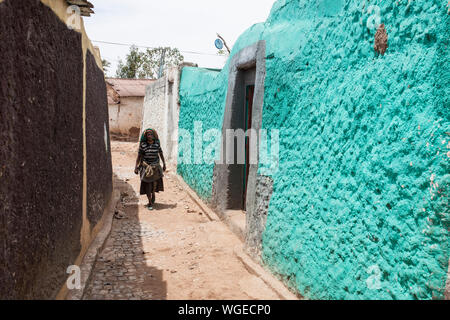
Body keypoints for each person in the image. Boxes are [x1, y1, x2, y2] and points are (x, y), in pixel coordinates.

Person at [134, 129, 166, 210]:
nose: (149, 136)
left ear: (154, 136)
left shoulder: (157, 144)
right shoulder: (143, 145)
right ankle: (150, 202)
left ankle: (153, 193)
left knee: (154, 184)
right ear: (145, 136)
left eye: (151, 134)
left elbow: (161, 153)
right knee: (147, 184)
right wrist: (136, 167)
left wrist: (164, 164)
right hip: (146, 167)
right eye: (148, 135)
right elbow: (139, 156)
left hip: (155, 167)